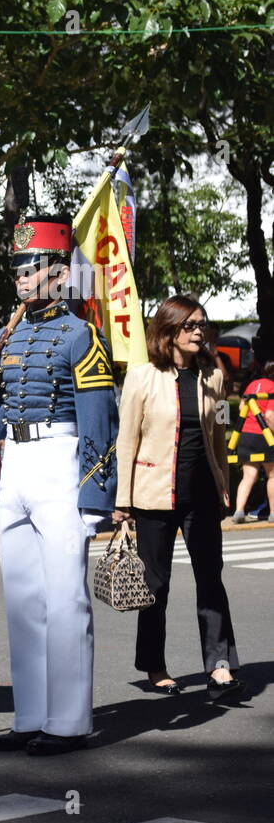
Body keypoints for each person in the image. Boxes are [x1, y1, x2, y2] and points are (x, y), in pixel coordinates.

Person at [0, 214, 118, 755]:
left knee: (65, 596)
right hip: (16, 463)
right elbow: (4, 417)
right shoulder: (9, 335)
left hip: (60, 464)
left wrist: (96, 496)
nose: (21, 277)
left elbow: (98, 419)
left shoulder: (79, 335)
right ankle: (30, 715)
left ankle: (68, 722)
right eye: (17, 268)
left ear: (59, 273)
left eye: (31, 267)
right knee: (22, 598)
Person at [113, 296, 243, 702]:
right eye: (190, 325)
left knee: (211, 578)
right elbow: (126, 441)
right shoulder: (142, 377)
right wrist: (122, 501)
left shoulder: (214, 379)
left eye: (202, 324)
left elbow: (219, 437)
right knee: (156, 585)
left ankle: (219, 665)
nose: (198, 332)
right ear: (168, 330)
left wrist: (224, 485)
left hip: (202, 496)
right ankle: (155, 666)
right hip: (153, 496)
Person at [230, 360, 274, 523]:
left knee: (248, 476)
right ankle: (273, 514)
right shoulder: (273, 388)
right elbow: (269, 416)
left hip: (245, 434)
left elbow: (242, 407)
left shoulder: (252, 384)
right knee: (272, 475)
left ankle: (239, 511)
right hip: (264, 435)